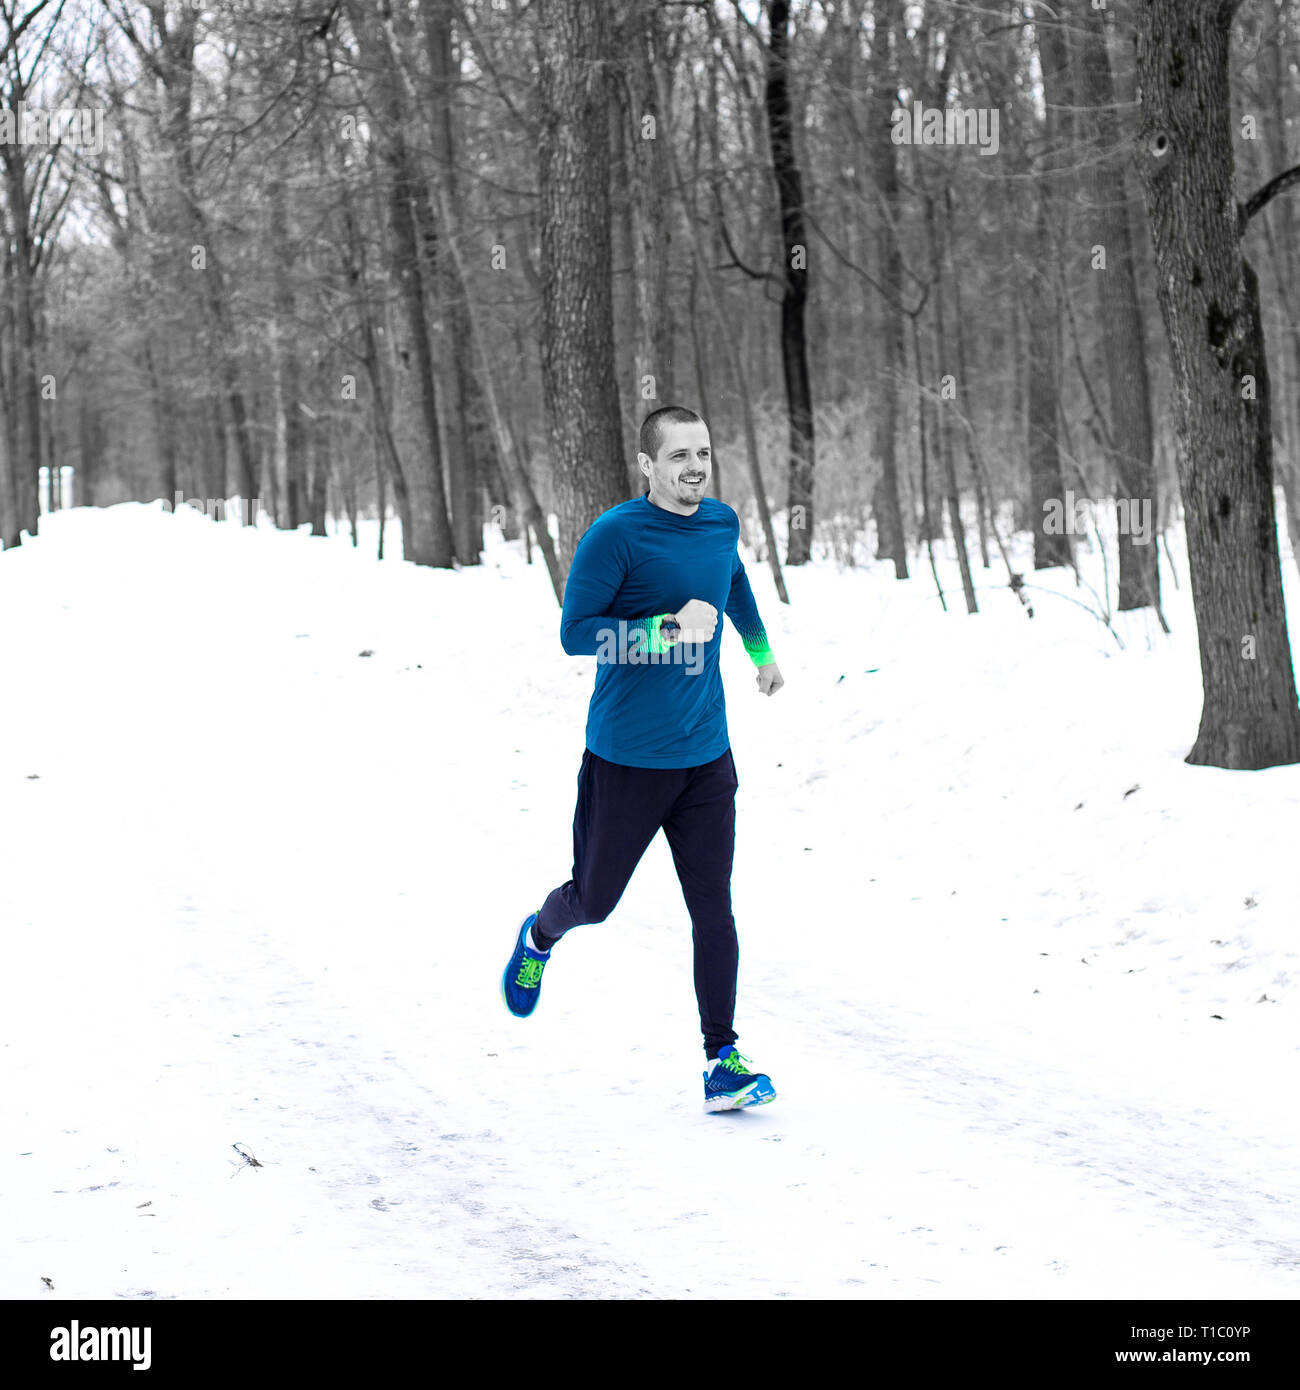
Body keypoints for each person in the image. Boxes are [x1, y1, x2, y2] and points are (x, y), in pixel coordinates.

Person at [501, 405, 785, 1111]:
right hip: (625, 760)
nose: (696, 467)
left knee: (712, 907)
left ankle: (723, 1058)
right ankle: (539, 935)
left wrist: (760, 653)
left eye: (704, 453)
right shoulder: (614, 537)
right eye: (680, 455)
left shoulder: (720, 523)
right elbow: (576, 636)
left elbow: (734, 583)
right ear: (648, 466)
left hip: (705, 759)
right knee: (592, 901)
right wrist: (661, 630)